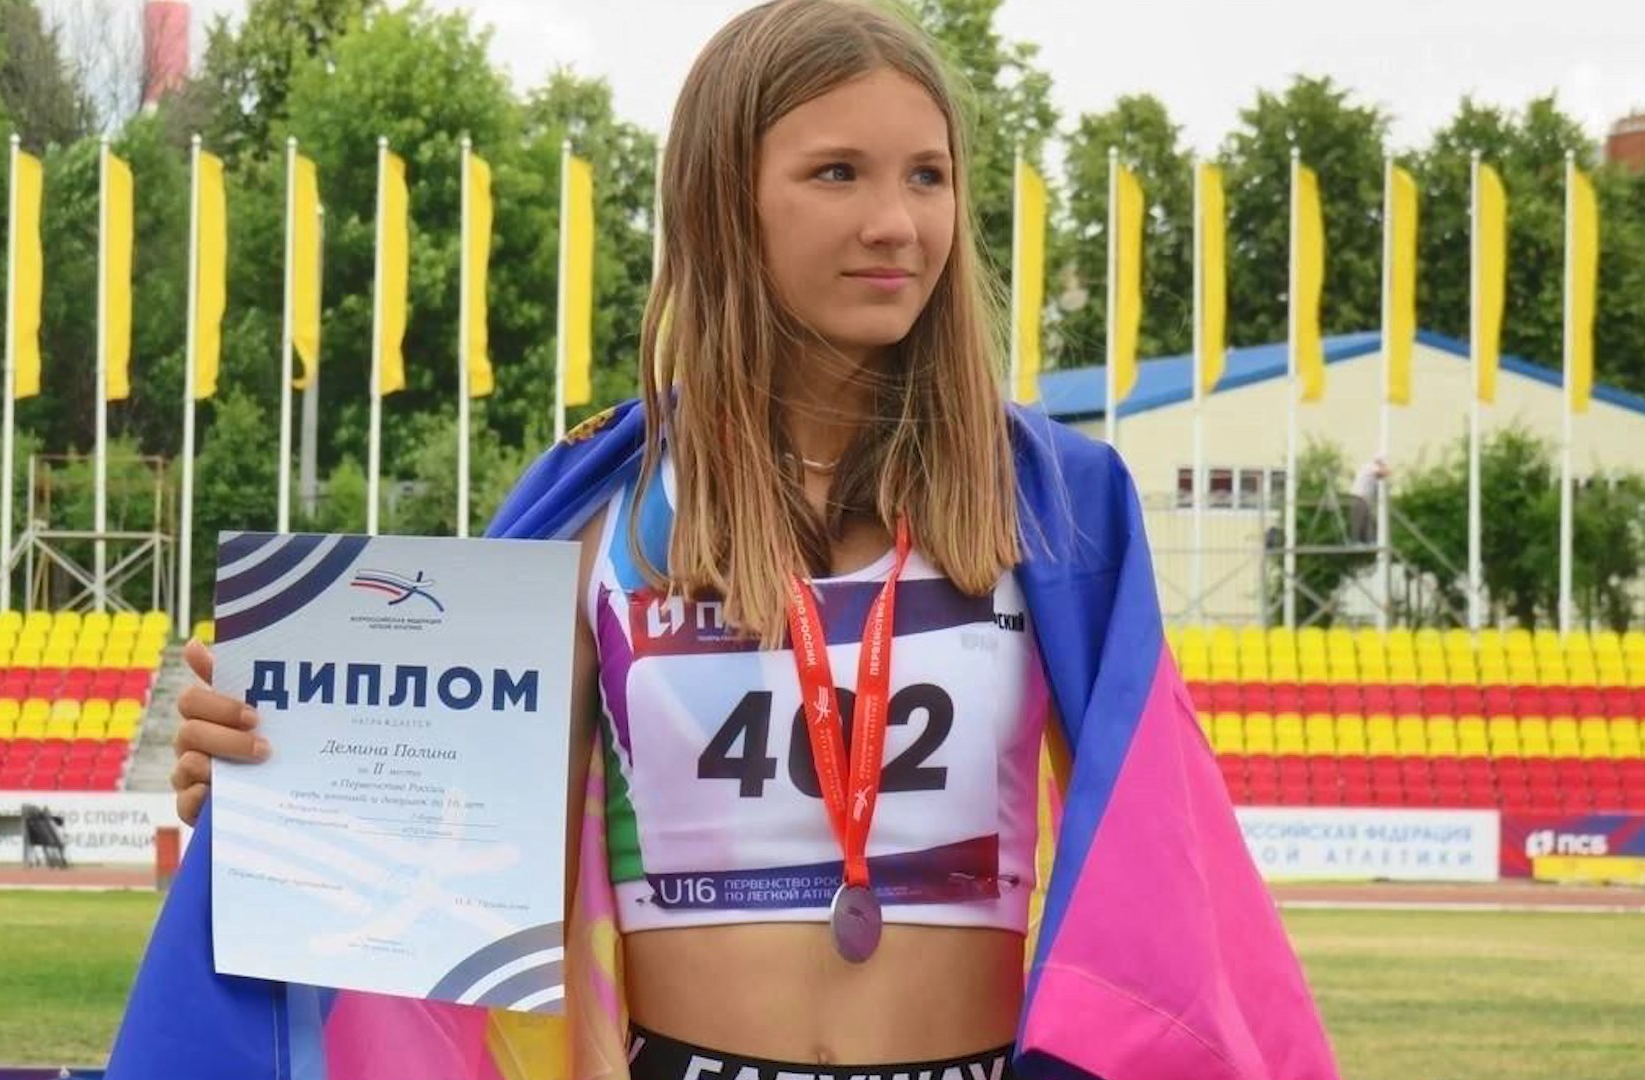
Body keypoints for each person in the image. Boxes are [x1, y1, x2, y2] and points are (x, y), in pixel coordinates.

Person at [109, 3, 1340, 1079]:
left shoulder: (1058, 506)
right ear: (720, 200)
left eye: (927, 176)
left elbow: (1158, 868)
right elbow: (455, 848)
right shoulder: (601, 512)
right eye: (837, 173)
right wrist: (289, 787)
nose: (897, 222)